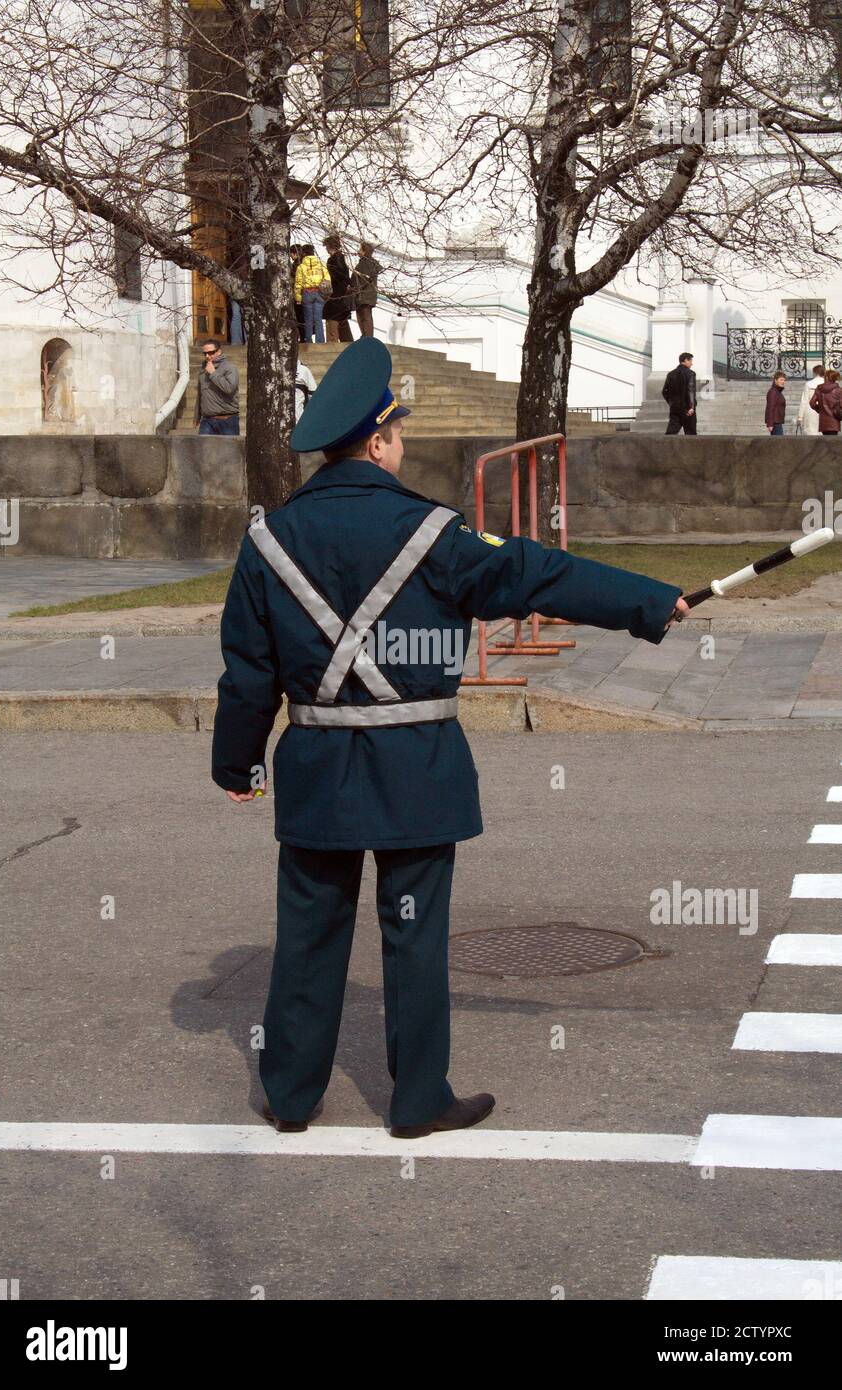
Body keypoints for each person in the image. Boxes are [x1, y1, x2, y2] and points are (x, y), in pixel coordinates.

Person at [211, 338, 688, 1139]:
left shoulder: (267, 541)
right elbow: (538, 573)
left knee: (309, 933)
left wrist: (237, 764)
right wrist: (648, 602)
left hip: (318, 766)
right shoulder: (435, 534)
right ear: (377, 441)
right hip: (415, 768)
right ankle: (417, 1098)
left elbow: (248, 671)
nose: (403, 447)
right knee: (413, 937)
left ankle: (291, 1094)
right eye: (398, 434)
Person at [195, 340, 240, 436]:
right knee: (204, 450)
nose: (207, 356)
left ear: (219, 351)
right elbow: (201, 394)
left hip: (227, 420)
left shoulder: (230, 367)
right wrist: (197, 416)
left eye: (211, 353)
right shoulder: (203, 369)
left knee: (229, 450)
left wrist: (213, 373)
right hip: (207, 421)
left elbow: (229, 388)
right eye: (205, 353)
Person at [322, 235, 355, 344]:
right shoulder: (341, 258)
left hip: (337, 296)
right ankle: (349, 346)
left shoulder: (334, 259)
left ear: (330, 247)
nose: (326, 249)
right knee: (342, 322)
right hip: (342, 296)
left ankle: (332, 346)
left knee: (332, 320)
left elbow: (337, 276)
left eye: (326, 246)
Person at [294, 242, 328, 344]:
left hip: (307, 293)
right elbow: (327, 278)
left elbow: (298, 284)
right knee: (318, 318)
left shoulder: (301, 267)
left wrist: (298, 298)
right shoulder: (321, 264)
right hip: (319, 292)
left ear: (303, 253)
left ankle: (308, 340)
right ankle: (320, 341)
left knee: (308, 318)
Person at [662, 352, 697, 434]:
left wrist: (672, 403)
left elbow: (664, 392)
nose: (692, 363)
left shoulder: (670, 374)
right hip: (687, 410)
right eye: (690, 361)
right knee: (691, 435)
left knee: (670, 434)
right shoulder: (690, 373)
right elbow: (690, 390)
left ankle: (665, 447)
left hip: (675, 409)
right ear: (685, 360)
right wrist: (691, 407)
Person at [352, 241, 381, 338]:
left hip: (365, 294)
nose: (358, 251)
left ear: (365, 251)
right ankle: (365, 335)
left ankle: (367, 337)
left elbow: (365, 279)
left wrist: (356, 288)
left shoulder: (367, 262)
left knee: (365, 315)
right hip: (364, 294)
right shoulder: (366, 262)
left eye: (360, 249)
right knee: (362, 315)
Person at [810, 367, 842, 435]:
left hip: (823, 422)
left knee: (825, 442)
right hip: (834, 421)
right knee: (833, 443)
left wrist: (819, 409)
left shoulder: (819, 389)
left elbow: (812, 403)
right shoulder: (839, 390)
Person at [798, 364, 825, 435]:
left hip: (810, 410)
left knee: (810, 434)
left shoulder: (809, 384)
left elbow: (804, 401)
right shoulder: (827, 384)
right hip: (824, 411)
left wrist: (800, 416)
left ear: (815, 373)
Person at [765, 371, 786, 435]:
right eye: (781, 380)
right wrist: (770, 424)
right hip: (775, 423)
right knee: (778, 443)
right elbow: (770, 408)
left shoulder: (777, 391)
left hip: (777, 422)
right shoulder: (773, 392)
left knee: (778, 443)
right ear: (775, 380)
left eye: (784, 380)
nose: (783, 382)